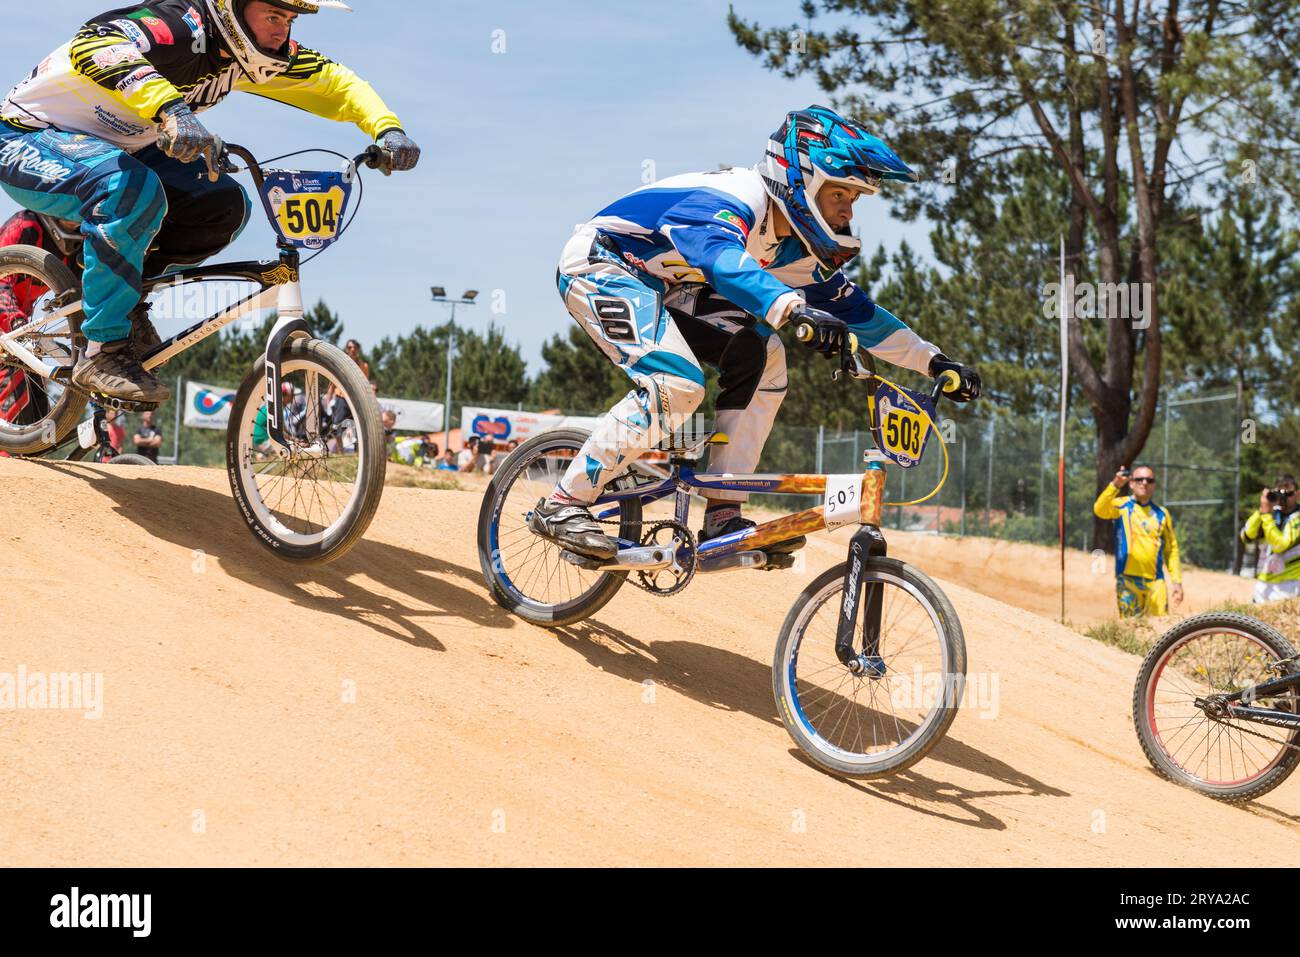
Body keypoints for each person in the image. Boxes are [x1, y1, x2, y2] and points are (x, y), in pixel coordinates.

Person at [527, 105, 981, 561]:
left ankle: (723, 510)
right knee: (678, 385)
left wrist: (933, 361)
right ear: (800, 181)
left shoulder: (793, 248)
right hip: (605, 264)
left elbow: (861, 315)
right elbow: (722, 261)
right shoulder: (734, 197)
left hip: (670, 286)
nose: (846, 210)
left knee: (765, 355)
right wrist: (790, 307)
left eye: (855, 199)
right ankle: (564, 502)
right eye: (839, 193)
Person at [0, 0, 420, 405]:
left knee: (224, 206)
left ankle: (125, 306)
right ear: (231, 8)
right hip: (29, 136)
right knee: (126, 190)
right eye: (273, 15)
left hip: (118, 146)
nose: (283, 29)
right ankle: (103, 351)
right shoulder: (179, 26)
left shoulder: (253, 56)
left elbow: (336, 83)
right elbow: (92, 43)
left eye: (290, 19)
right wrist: (170, 109)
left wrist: (386, 128)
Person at [0, 210, 80, 426]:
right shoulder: (25, 226)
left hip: (19, 325)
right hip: (9, 315)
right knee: (13, 383)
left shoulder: (80, 240)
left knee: (37, 407)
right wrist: (15, 319)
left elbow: (79, 298)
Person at [1093, 465, 1184, 618]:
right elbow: (1099, 509)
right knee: (1130, 628)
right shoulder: (1121, 506)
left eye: (1149, 480)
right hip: (1127, 580)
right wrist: (1115, 484)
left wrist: (1177, 582)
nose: (1144, 483)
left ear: (1154, 485)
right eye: (1139, 479)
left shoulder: (1162, 514)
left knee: (1160, 630)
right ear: (1131, 483)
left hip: (1156, 583)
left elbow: (1171, 549)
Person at [1240, 473, 1300, 602]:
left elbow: (1280, 545)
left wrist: (1266, 516)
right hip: (1264, 582)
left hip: (1291, 584)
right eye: (1279, 494)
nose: (1283, 498)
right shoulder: (1269, 513)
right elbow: (1246, 536)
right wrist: (1262, 510)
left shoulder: (1298, 518)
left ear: (1298, 494)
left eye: (1288, 494)